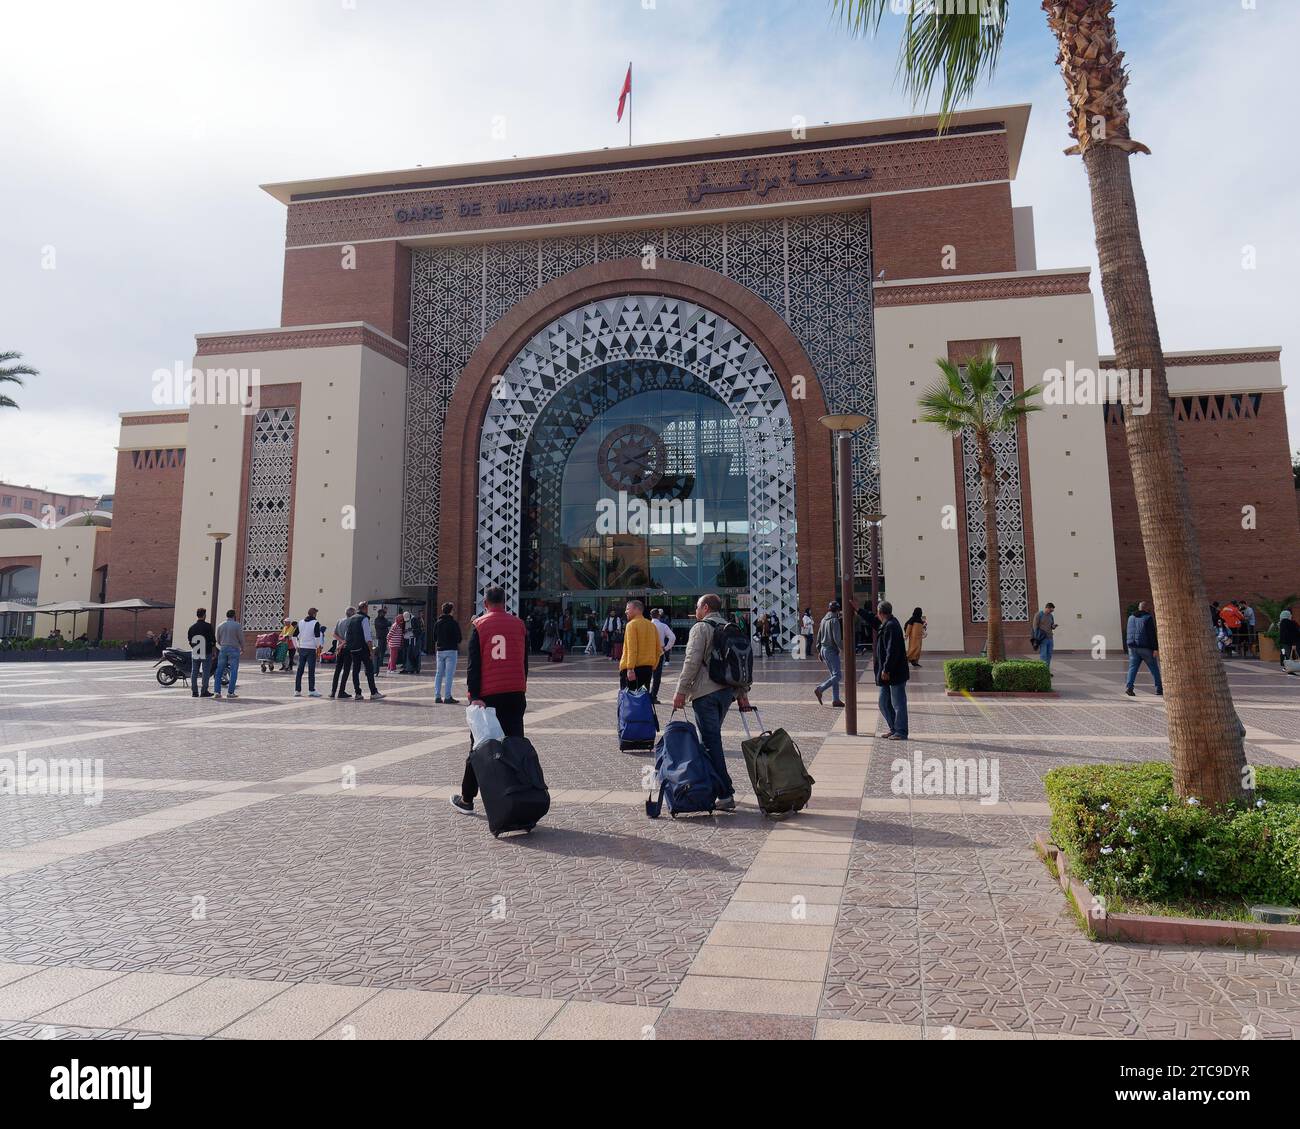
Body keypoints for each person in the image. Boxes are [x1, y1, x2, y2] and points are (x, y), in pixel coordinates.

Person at [451, 588, 528, 815]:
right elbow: (524, 661)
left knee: (481, 746)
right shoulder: (519, 625)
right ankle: (521, 794)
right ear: (505, 602)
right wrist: (521, 686)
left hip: (489, 695)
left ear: (485, 603)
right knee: (515, 744)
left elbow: (474, 664)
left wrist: (474, 695)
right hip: (515, 692)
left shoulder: (479, 626)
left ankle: (467, 798)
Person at [672, 593, 748, 813]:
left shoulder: (701, 628)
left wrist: (680, 691)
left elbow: (692, 661)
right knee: (711, 741)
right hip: (726, 693)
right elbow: (740, 663)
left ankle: (725, 794)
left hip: (705, 693)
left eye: (697, 606)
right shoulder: (730, 627)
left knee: (711, 743)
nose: (695, 611)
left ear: (705, 607)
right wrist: (742, 693)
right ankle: (716, 788)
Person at [874, 601, 909, 740]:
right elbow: (873, 621)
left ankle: (901, 731)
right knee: (883, 703)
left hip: (895, 673)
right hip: (888, 673)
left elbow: (892, 650)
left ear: (880, 613)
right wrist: (859, 610)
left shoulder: (891, 626)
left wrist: (886, 669)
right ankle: (894, 728)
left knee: (898, 703)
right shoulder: (886, 624)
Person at [344, 602, 383, 700]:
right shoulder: (364, 619)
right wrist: (371, 651)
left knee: (355, 671)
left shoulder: (351, 619)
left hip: (353, 649)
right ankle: (373, 692)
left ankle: (358, 693)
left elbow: (346, 635)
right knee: (369, 670)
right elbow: (368, 637)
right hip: (363, 648)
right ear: (365, 608)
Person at [619, 599, 659, 692]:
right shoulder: (651, 625)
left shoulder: (631, 625)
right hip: (647, 668)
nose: (626, 611)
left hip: (633, 669)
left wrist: (630, 668)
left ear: (637, 609)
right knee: (643, 699)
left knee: (629, 701)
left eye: (628, 608)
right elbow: (658, 649)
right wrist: (653, 665)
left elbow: (632, 648)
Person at [1125, 601, 1163, 697]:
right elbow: (1152, 634)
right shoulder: (1148, 618)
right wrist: (1155, 648)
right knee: (1154, 668)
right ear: (1147, 608)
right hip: (1145, 648)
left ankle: (1129, 687)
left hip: (1132, 647)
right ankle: (1159, 689)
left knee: (1132, 668)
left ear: (1139, 608)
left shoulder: (1131, 617)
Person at [813, 601, 844, 708]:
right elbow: (837, 639)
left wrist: (819, 650)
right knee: (837, 675)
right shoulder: (834, 620)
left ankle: (836, 700)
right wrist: (844, 649)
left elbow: (819, 636)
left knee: (833, 675)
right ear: (838, 610)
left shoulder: (823, 620)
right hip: (831, 650)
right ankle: (820, 689)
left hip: (823, 649)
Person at [433, 603, 462, 704]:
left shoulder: (438, 623)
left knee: (439, 673)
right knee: (449, 674)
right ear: (451, 611)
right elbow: (459, 638)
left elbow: (434, 638)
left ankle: (437, 696)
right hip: (451, 650)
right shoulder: (454, 623)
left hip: (440, 650)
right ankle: (447, 696)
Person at [293, 607, 325, 697]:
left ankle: (297, 690)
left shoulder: (300, 622)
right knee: (311, 670)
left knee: (300, 670)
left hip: (302, 648)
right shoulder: (315, 623)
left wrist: (297, 646)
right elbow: (317, 637)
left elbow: (294, 636)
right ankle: (311, 690)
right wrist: (318, 647)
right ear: (314, 614)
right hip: (311, 649)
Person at [213, 609, 243, 700]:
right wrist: (243, 647)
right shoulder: (237, 625)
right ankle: (230, 692)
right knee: (233, 670)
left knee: (219, 670)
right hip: (234, 648)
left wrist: (222, 644)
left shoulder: (220, 625)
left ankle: (217, 692)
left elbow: (217, 639)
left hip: (223, 648)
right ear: (234, 616)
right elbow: (241, 638)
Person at [649, 608, 677, 704]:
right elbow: (672, 637)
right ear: (659, 615)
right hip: (659, 652)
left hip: (647, 652)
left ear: (650, 615)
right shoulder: (663, 626)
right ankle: (653, 696)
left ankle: (644, 696)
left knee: (646, 674)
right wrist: (666, 648)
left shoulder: (647, 625)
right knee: (657, 676)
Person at [187, 608, 216, 698]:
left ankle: (194, 691)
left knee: (194, 672)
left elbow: (190, 640)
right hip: (206, 652)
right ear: (204, 615)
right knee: (206, 672)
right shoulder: (208, 626)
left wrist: (194, 647)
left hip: (196, 651)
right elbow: (213, 640)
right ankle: (204, 691)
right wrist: (213, 650)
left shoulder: (192, 627)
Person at [330, 606, 356, 698]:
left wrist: (340, 642)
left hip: (339, 648)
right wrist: (343, 642)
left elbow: (334, 634)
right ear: (353, 613)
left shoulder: (340, 621)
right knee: (346, 670)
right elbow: (348, 637)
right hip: (347, 648)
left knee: (337, 670)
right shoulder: (352, 622)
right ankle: (341, 691)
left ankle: (333, 691)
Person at [1033, 602, 1056, 668]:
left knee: (1049, 655)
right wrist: (1036, 638)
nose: (1051, 612)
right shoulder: (1039, 615)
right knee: (1043, 655)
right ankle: (1043, 670)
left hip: (1050, 638)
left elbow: (1051, 625)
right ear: (1047, 608)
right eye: (1051, 610)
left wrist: (1053, 626)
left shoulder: (1051, 616)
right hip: (1042, 638)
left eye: (1052, 611)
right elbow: (1035, 626)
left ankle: (1047, 670)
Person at [1277, 610, 1299, 675]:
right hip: (1292, 642)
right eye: (1290, 614)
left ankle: (1287, 668)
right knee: (1291, 656)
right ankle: (1291, 669)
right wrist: (1294, 643)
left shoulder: (1281, 623)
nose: (1291, 616)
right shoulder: (1291, 623)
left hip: (1284, 643)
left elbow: (1283, 635)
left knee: (1287, 655)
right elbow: (1295, 633)